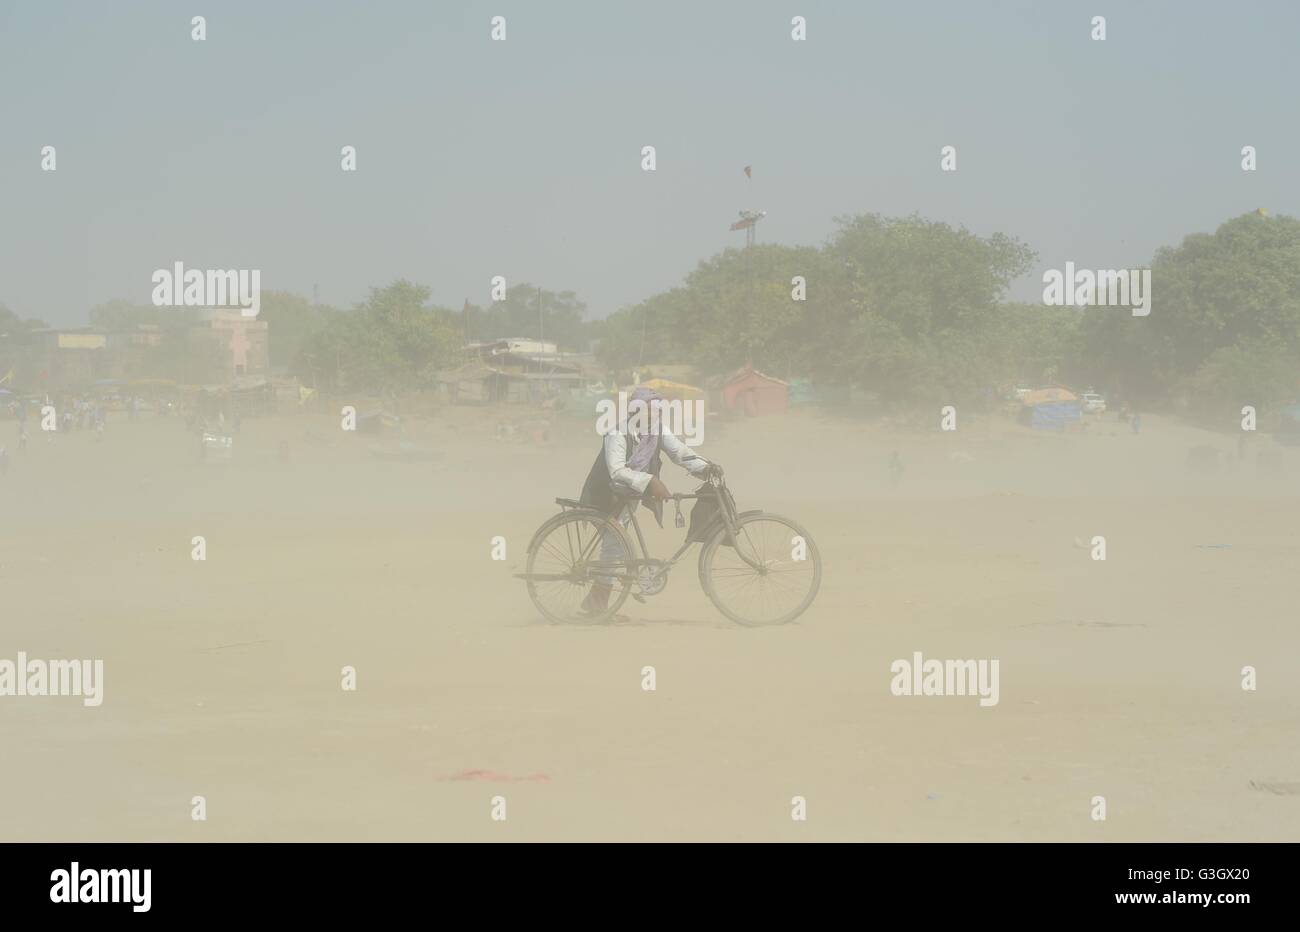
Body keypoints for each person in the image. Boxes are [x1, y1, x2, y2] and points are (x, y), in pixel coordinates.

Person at [577, 386, 711, 616]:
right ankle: (597, 604)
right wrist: (651, 481)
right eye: (649, 409)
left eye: (657, 409)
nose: (654, 413)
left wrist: (706, 466)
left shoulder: (657, 431)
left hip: (628, 495)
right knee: (614, 546)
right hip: (605, 495)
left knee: (616, 546)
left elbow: (680, 452)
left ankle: (595, 601)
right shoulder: (617, 432)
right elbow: (617, 470)